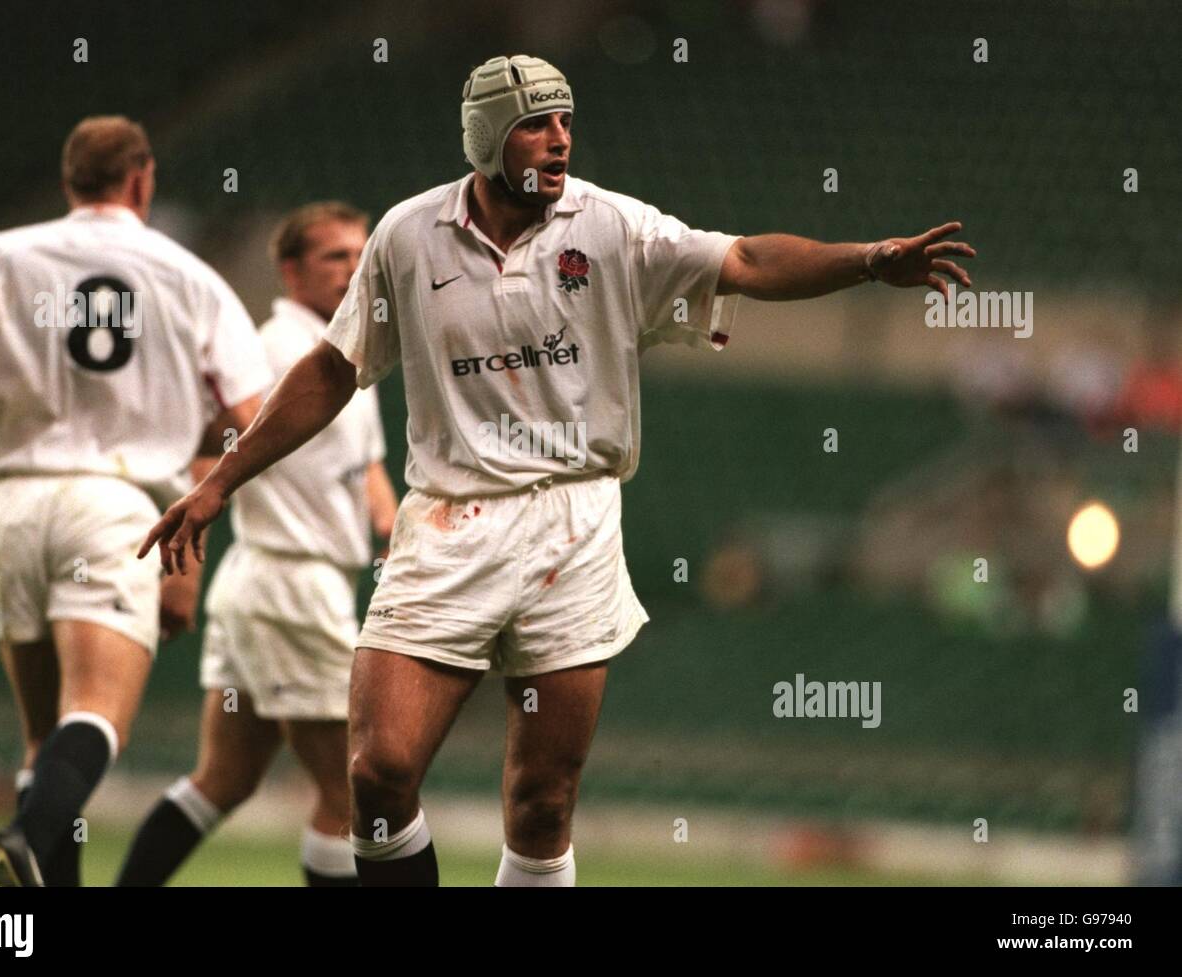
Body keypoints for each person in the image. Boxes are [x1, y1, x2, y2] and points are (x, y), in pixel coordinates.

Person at [140, 55, 975, 886]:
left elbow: (749, 262)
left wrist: (870, 258)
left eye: (565, 121)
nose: (559, 139)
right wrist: (219, 482)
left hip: (572, 524)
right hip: (445, 521)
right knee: (377, 773)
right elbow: (332, 369)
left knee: (542, 804)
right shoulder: (405, 234)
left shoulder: (612, 227)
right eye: (536, 124)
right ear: (486, 137)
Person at [0, 115, 269, 886]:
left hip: (6, 502)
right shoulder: (192, 278)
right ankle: (27, 836)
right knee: (97, 715)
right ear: (141, 180)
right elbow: (252, 418)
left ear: (71, 178)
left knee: (45, 740)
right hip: (115, 505)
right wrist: (194, 506)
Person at [117, 203, 398, 887]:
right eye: (335, 256)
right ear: (289, 268)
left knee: (225, 778)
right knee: (352, 792)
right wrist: (183, 566)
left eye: (361, 254)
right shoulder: (275, 351)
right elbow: (202, 445)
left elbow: (369, 476)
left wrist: (404, 541)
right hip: (287, 586)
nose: (353, 269)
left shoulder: (346, 351)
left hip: (285, 590)